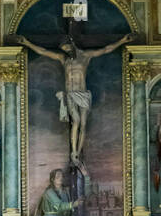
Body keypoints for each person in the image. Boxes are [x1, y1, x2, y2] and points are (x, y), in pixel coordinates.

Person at [17, 30, 132, 165]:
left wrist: (123, 41)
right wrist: (27, 43)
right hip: (70, 94)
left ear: (71, 44)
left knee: (83, 124)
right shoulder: (63, 59)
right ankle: (73, 152)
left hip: (83, 94)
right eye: (63, 49)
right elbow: (43, 51)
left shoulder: (85, 56)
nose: (65, 50)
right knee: (75, 121)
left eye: (66, 47)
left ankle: (78, 151)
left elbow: (106, 49)